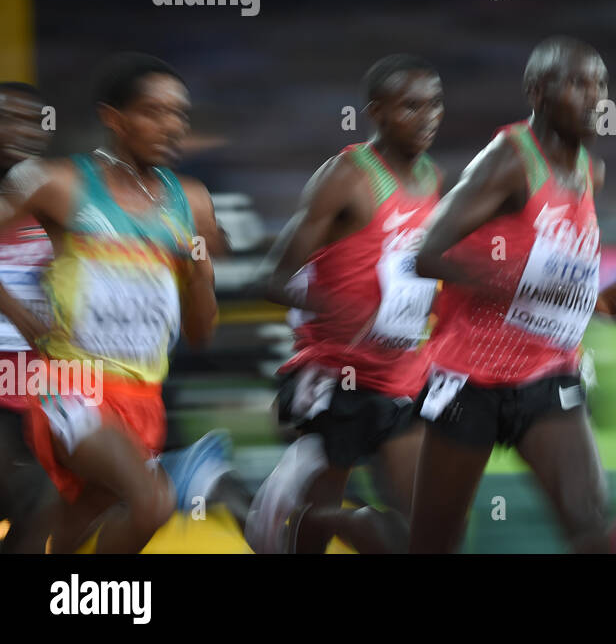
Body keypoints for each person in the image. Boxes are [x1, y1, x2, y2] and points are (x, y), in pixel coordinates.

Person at [409, 36, 616, 553]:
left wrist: (595, 301)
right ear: (538, 92)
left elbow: (558, 270)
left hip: (547, 374)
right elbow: (426, 254)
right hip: (469, 379)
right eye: (579, 83)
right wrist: (517, 279)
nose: (596, 97)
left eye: (601, 84)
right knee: (432, 545)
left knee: (590, 527)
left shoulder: (589, 171)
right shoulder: (508, 163)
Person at [0, 54, 222, 553]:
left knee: (74, 519)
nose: (171, 126)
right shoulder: (57, 184)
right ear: (113, 118)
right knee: (153, 502)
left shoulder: (192, 202)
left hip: (143, 395)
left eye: (179, 115)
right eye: (153, 112)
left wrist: (200, 272)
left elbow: (201, 333)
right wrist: (18, 313)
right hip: (71, 387)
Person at [244, 55, 446, 553]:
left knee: (425, 531)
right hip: (338, 378)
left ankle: (334, 521)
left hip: (401, 376)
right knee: (304, 543)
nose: (428, 117)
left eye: (435, 104)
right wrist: (339, 307)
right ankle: (294, 515)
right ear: (377, 112)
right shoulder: (345, 177)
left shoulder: (431, 179)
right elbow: (272, 279)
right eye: (411, 106)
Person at [0, 83, 59, 552]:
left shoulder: (53, 199)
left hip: (34, 374)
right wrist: (16, 311)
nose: (22, 132)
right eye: (9, 119)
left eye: (33, 122)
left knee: (37, 503)